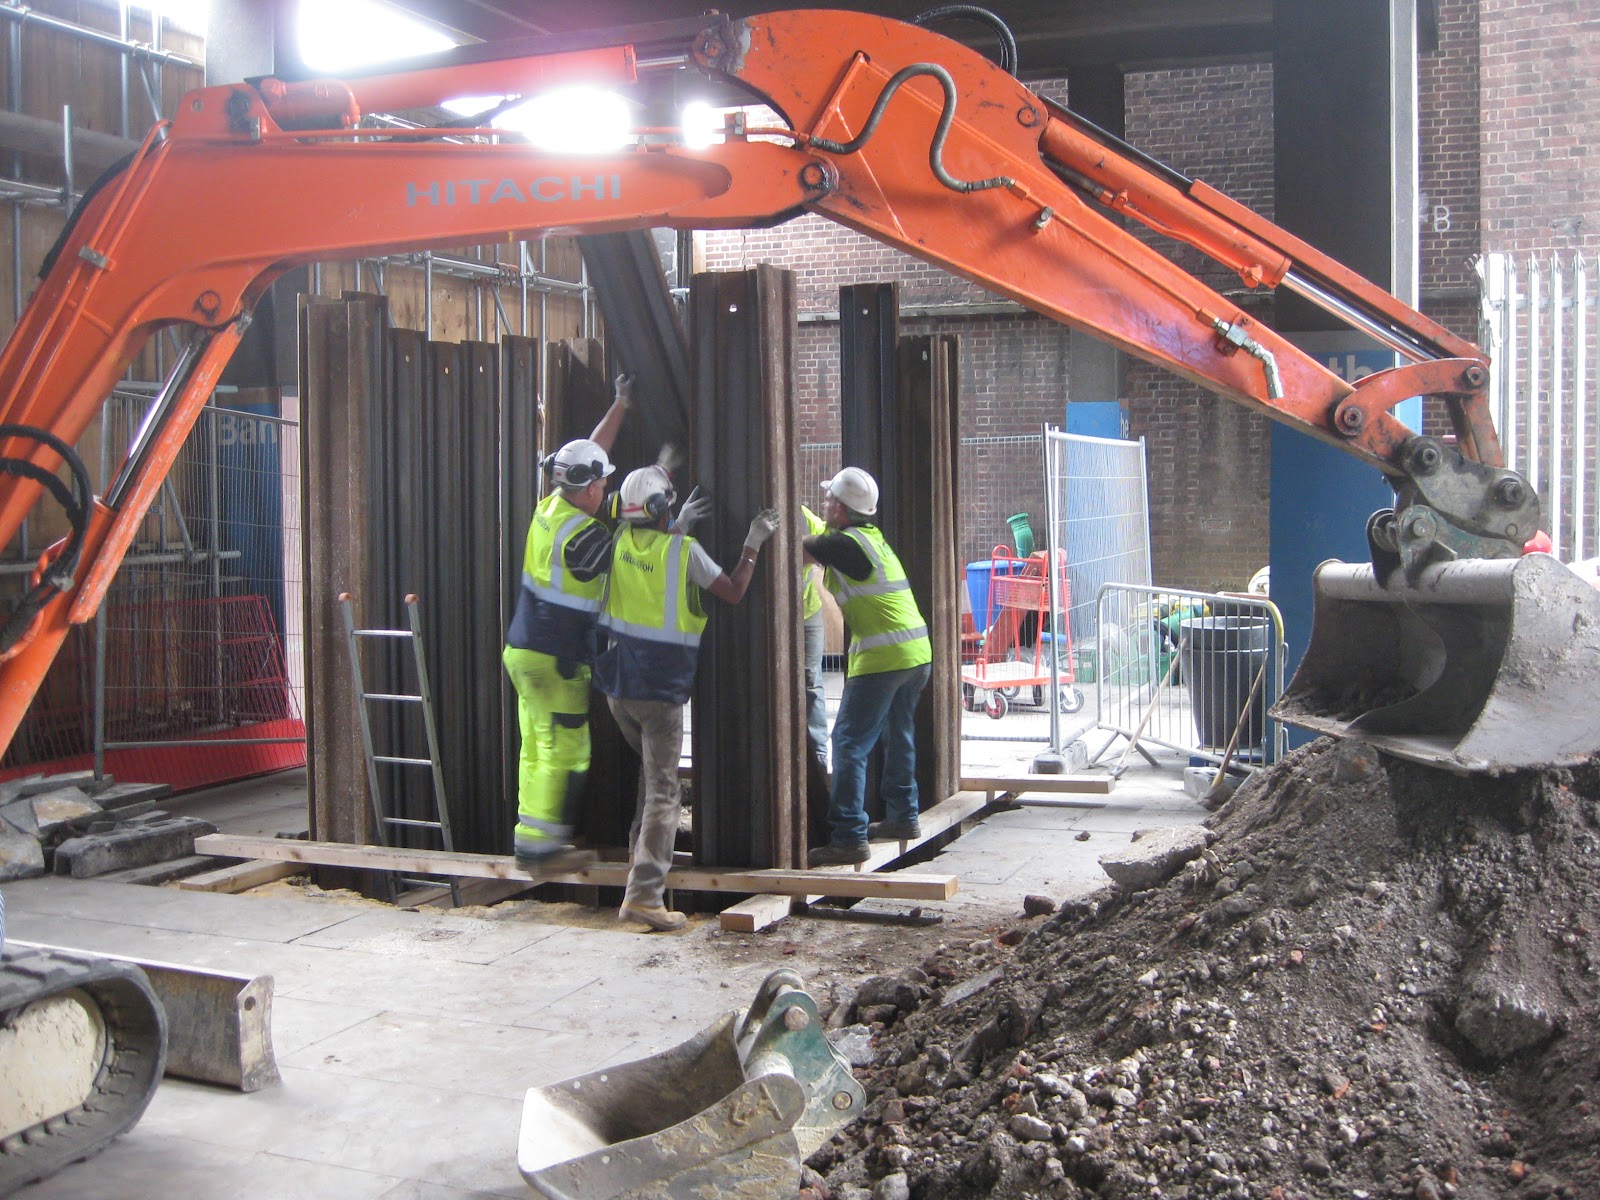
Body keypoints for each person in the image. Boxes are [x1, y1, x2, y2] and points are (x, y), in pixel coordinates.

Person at [595, 465, 779, 930]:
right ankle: (644, 898)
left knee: (651, 776)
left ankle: (636, 872)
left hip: (618, 690)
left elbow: (650, 556)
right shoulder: (685, 551)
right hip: (659, 692)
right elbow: (733, 591)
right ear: (662, 508)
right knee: (665, 792)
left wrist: (676, 524)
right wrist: (753, 543)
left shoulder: (618, 541)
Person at [501, 374, 632, 875]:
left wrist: (619, 404)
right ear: (587, 488)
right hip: (558, 659)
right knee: (568, 748)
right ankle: (543, 848)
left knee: (536, 745)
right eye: (603, 484)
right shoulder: (586, 539)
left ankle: (529, 835)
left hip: (524, 651)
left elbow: (589, 455)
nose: (606, 489)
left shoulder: (550, 507)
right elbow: (640, 559)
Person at [804, 467, 932, 866]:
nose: (826, 504)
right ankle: (903, 816)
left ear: (842, 510)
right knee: (898, 734)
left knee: (848, 743)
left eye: (830, 500)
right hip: (915, 654)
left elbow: (801, 547)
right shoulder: (871, 538)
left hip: (883, 659)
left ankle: (848, 836)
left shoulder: (843, 544)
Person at [800, 505, 830, 764]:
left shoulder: (803, 515)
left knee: (811, 678)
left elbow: (827, 539)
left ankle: (818, 751)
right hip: (778, 611)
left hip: (808, 611)